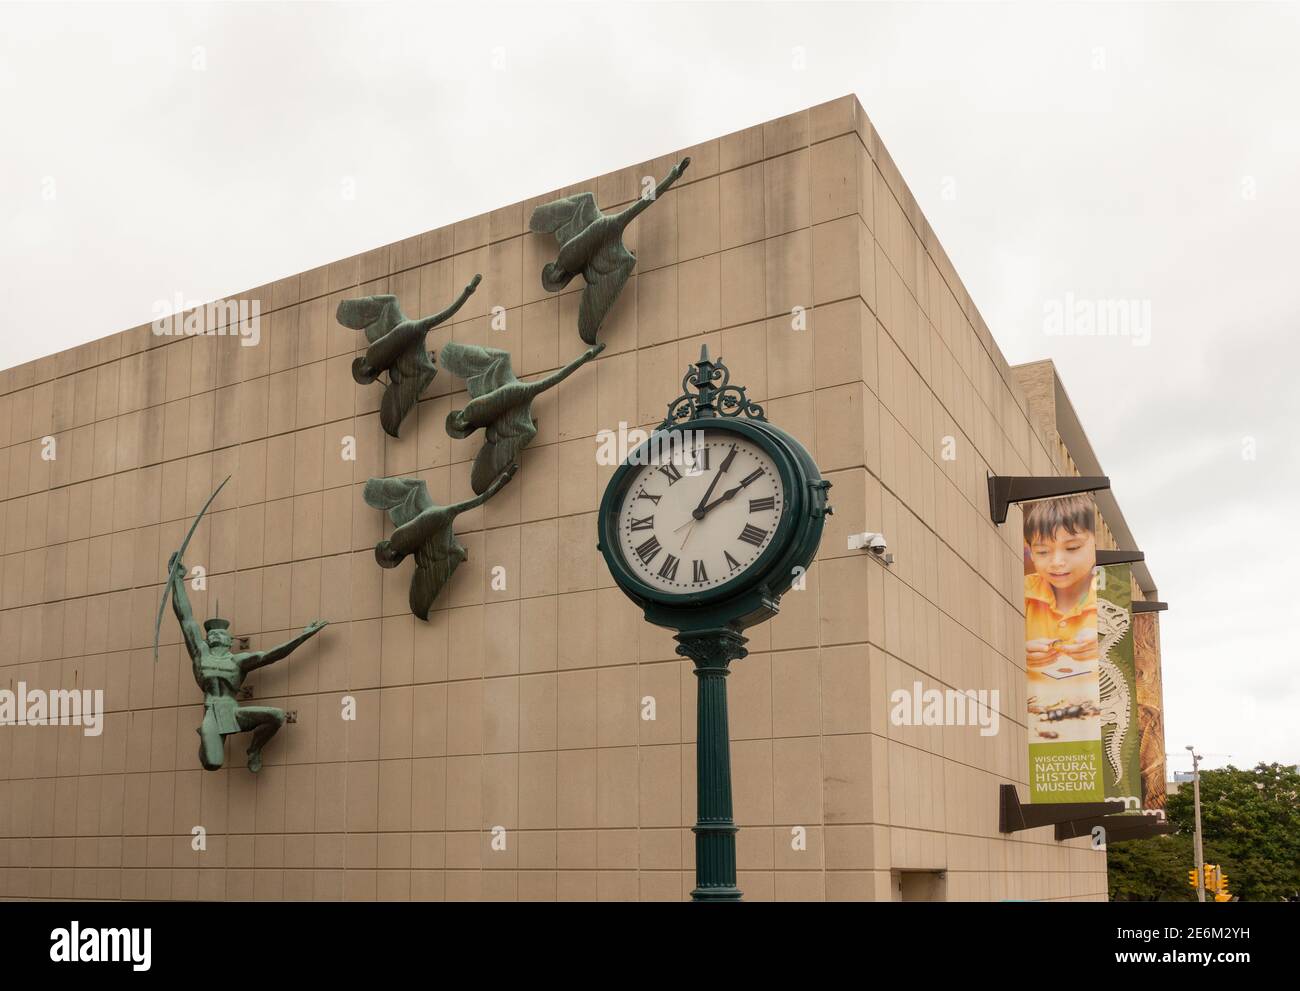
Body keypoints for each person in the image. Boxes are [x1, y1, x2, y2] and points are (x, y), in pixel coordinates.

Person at [168, 552, 327, 772]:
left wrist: (304, 635)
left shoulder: (237, 661)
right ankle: (208, 737)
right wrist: (176, 579)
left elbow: (271, 655)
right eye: (211, 633)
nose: (214, 634)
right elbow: (185, 617)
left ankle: (254, 749)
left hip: (233, 712)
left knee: (277, 716)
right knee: (212, 763)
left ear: (229, 640)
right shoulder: (200, 653)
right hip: (212, 711)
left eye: (220, 633)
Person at [1023, 495, 1098, 669]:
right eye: (1042, 552)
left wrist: (1104, 643)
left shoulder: (1110, 593)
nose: (1057, 562)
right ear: (1031, 551)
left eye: (1072, 548)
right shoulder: (1022, 591)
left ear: (1095, 544)